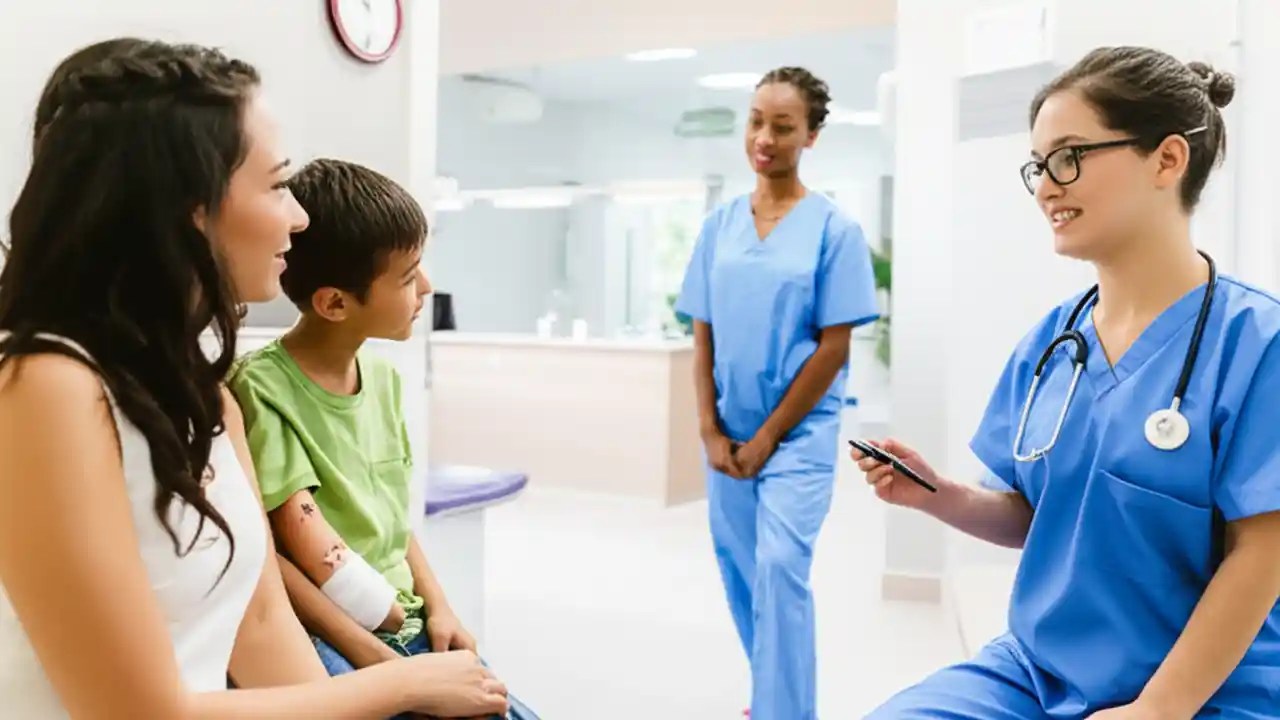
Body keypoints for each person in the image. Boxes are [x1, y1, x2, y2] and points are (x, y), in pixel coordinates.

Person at [0, 38, 508, 718]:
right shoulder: (45, 385)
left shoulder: (204, 392)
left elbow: (262, 626)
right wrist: (403, 684)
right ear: (189, 207)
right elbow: (135, 712)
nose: (297, 216)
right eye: (276, 186)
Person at [855, 46, 1280, 719]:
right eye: (1038, 166)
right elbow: (1033, 515)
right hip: (1037, 669)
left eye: (1069, 156)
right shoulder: (1055, 342)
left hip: (1207, 688)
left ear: (1168, 160)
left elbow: (1264, 550)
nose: (1047, 185)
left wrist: (1157, 710)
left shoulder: (1258, 343)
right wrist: (938, 496)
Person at [228, 158, 538, 720]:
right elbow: (280, 557)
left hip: (406, 621)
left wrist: (440, 607)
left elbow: (393, 524)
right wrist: (381, 661)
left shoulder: (387, 382)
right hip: (330, 634)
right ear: (335, 303)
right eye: (406, 276)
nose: (426, 288)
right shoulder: (262, 389)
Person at [675, 66, 880, 719]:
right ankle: (771, 696)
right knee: (740, 572)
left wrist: (768, 437)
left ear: (810, 136)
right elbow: (702, 335)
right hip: (728, 431)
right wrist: (710, 428)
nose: (764, 137)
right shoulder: (719, 227)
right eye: (756, 121)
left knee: (779, 567)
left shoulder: (835, 231)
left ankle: (784, 713)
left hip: (799, 434)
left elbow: (834, 347)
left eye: (783, 126)